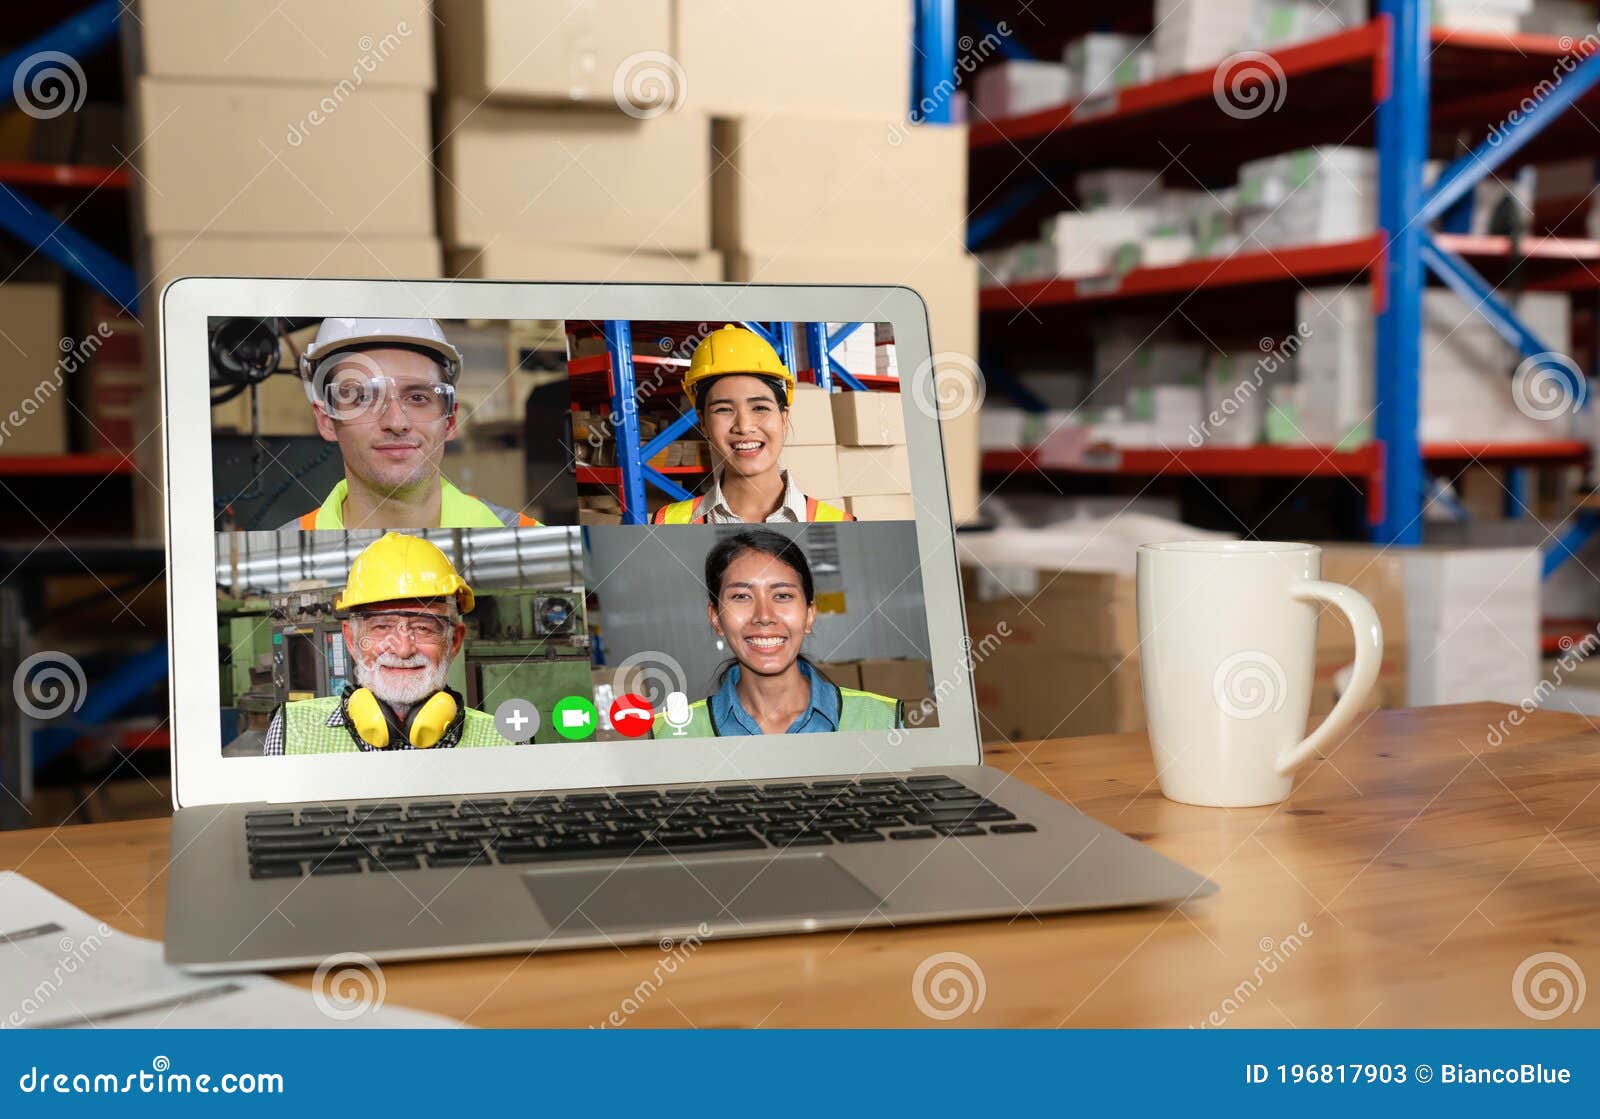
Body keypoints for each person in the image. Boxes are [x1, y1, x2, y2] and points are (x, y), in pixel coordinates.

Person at [280, 318, 539, 531]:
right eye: (364, 398)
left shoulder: (527, 537)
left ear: (449, 421)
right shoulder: (291, 548)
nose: (396, 422)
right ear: (326, 421)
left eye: (418, 398)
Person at [263, 532, 511, 754]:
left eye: (423, 628)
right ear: (351, 639)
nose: (403, 649)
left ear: (454, 641)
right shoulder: (290, 732)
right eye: (382, 627)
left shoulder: (504, 741)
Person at [652, 529, 901, 737]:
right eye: (741, 597)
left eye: (782, 596)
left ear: (809, 614)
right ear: (716, 618)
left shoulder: (882, 720)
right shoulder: (672, 733)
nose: (764, 616)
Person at [652, 324, 855, 524]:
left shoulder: (840, 524)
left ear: (784, 418)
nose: (744, 426)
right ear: (703, 423)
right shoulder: (668, 522)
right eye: (723, 409)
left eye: (760, 408)